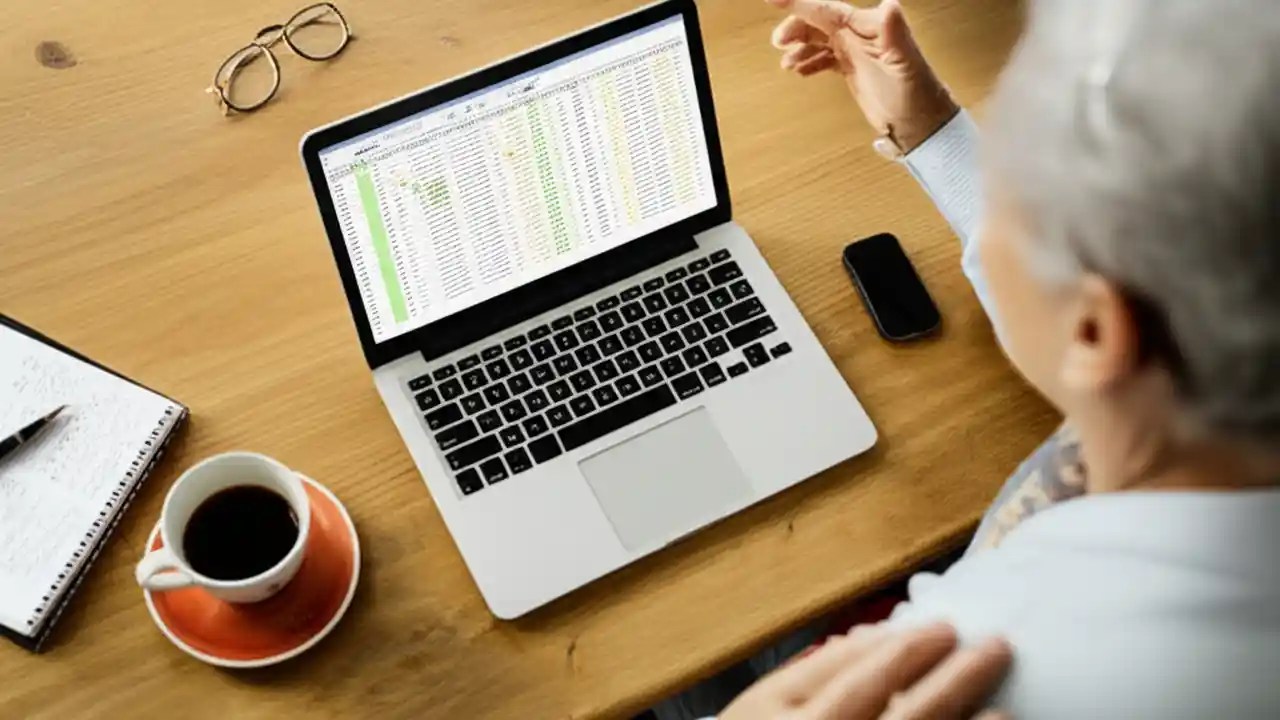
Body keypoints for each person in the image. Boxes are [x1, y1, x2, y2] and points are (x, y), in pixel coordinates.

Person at [667, 0, 1280, 717]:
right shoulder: (1211, 398)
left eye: (1013, 185)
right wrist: (934, 133)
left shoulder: (1008, 666)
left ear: (1094, 334)